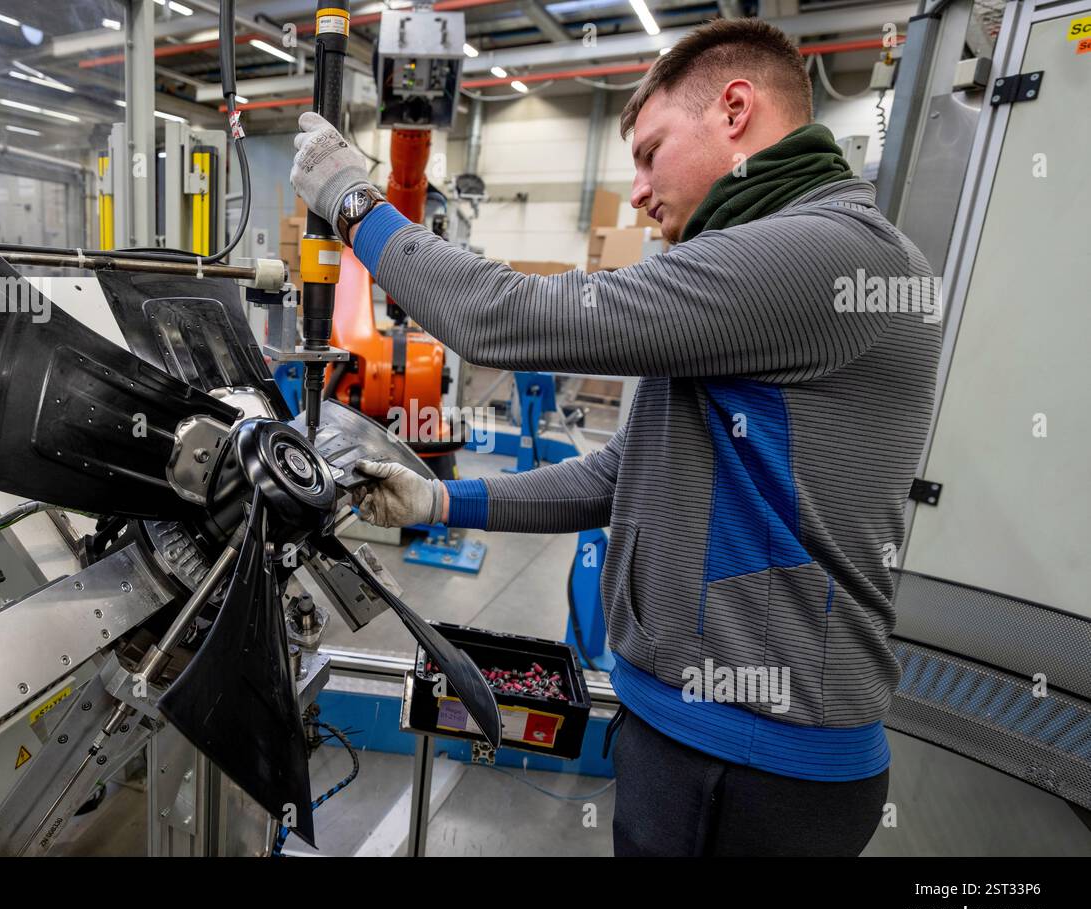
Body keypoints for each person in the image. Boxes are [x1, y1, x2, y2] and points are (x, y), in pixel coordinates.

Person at [289, 17, 942, 856]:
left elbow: (503, 315)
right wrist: (444, 496)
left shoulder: (826, 252)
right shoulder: (747, 270)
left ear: (735, 111)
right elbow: (615, 476)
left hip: (756, 766)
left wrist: (355, 204)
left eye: (649, 151)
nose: (636, 191)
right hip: (688, 736)